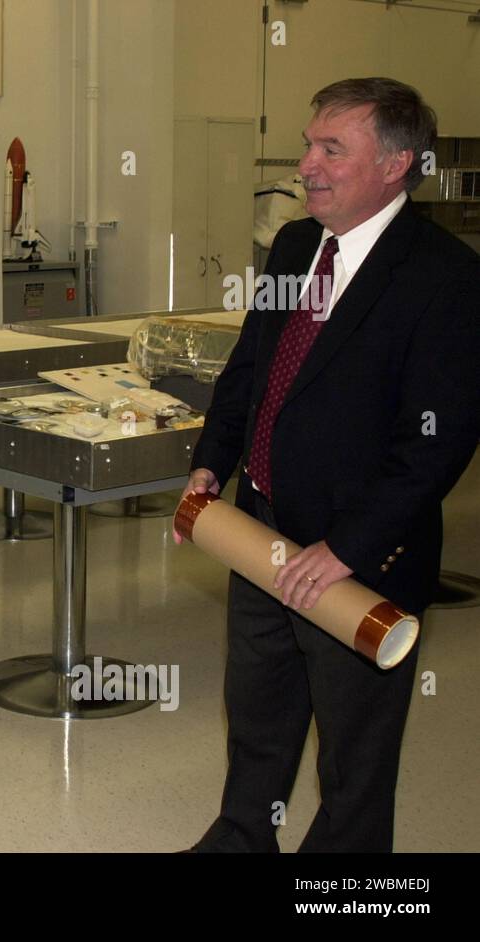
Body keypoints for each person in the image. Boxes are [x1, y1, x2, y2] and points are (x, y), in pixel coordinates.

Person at [181, 77, 480, 852]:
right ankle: (242, 836)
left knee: (356, 750)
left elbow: (437, 443)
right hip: (262, 526)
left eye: (330, 149)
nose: (305, 164)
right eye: (308, 144)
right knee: (257, 711)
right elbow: (250, 368)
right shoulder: (291, 246)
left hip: (361, 558)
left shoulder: (444, 278)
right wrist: (213, 463)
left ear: (394, 165)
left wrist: (347, 548)